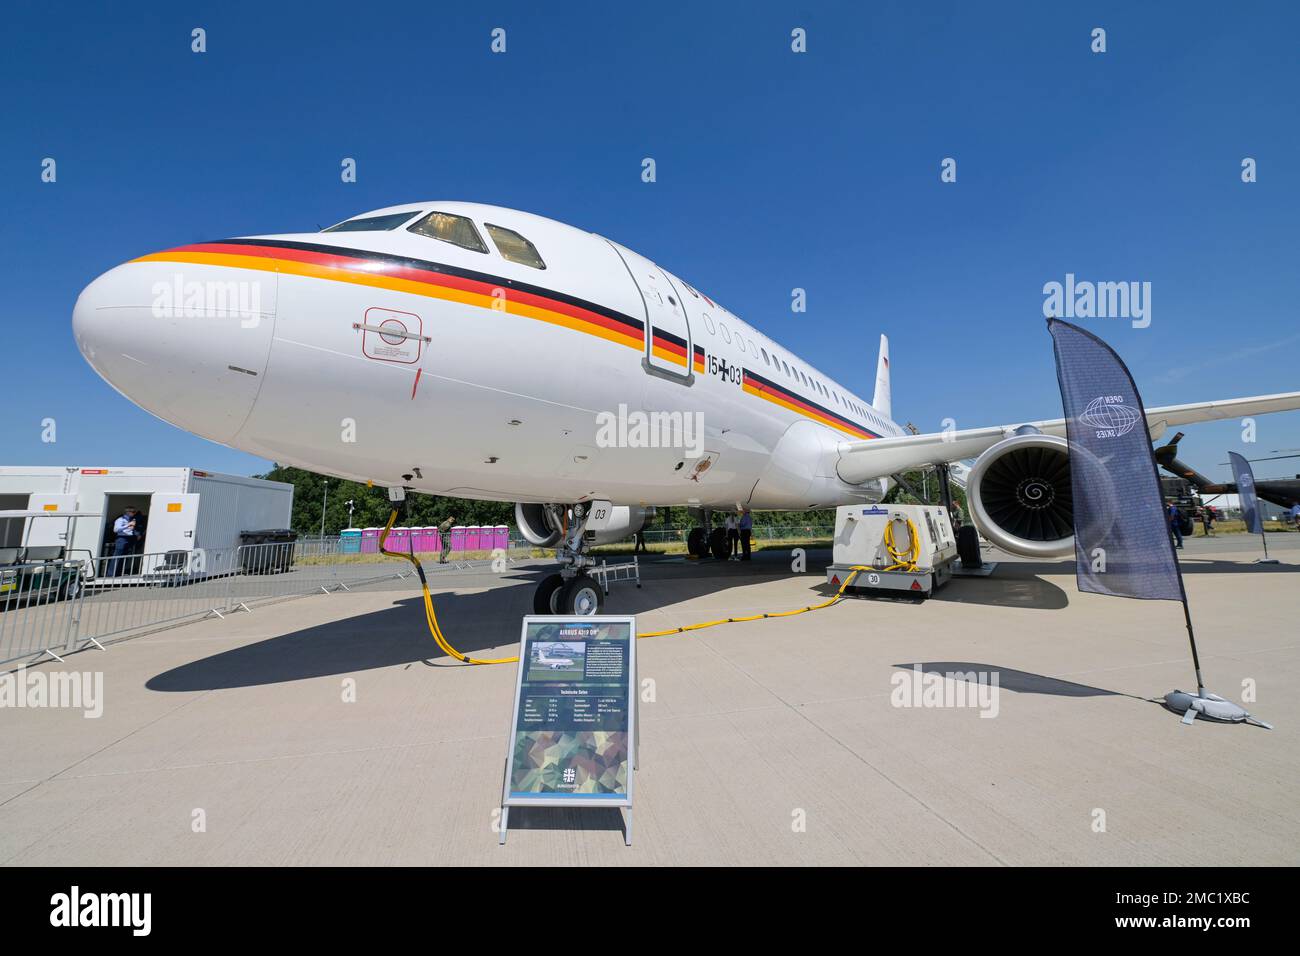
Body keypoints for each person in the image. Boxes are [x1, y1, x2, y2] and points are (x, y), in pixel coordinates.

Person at [108, 507, 138, 576]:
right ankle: (110, 574)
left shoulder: (132, 520)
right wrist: (128, 525)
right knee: (117, 555)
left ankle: (119, 573)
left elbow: (131, 529)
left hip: (130, 538)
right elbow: (116, 530)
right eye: (133, 512)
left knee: (125, 556)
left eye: (134, 512)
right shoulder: (120, 519)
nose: (134, 513)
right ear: (127, 512)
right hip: (122, 538)